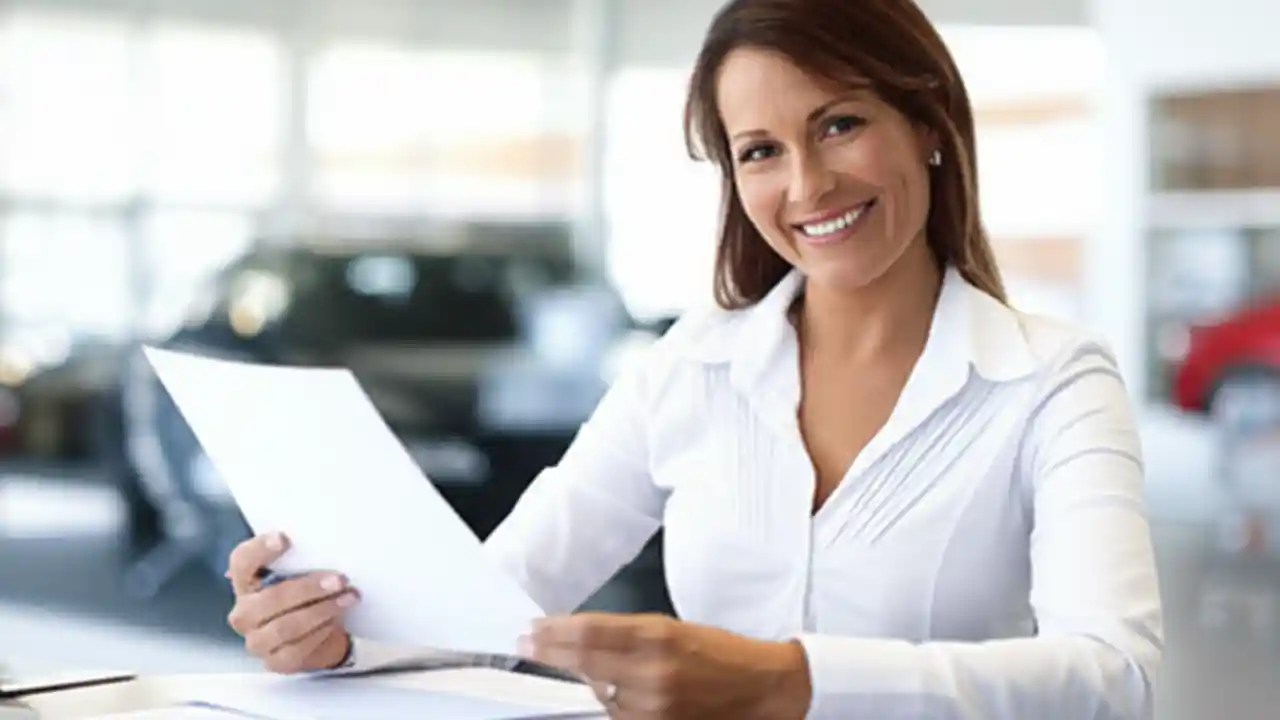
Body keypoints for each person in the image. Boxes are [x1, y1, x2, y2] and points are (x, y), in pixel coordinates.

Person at [223, 0, 1163, 717]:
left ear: (926, 126)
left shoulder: (1052, 381)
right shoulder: (693, 367)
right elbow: (494, 610)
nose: (806, 185)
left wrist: (781, 680)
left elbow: (1114, 672)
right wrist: (334, 637)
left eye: (840, 124)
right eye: (760, 151)